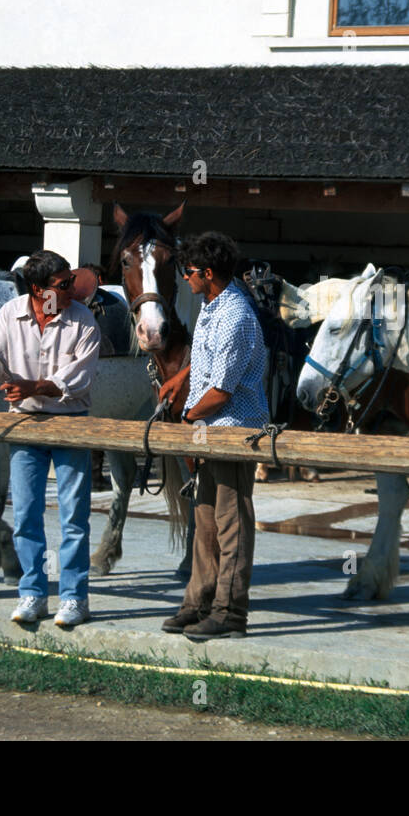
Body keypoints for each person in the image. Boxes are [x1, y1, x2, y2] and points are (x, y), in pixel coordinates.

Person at [0, 250, 101, 628]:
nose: (72, 290)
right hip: (25, 425)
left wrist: (33, 386)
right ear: (37, 289)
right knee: (27, 515)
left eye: (71, 282)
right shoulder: (8, 316)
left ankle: (75, 598)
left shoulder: (84, 320)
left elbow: (80, 380)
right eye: (63, 285)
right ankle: (33, 593)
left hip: (71, 424)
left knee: (74, 517)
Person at [156, 231, 269, 641]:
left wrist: (186, 419)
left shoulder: (236, 316)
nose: (184, 278)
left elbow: (221, 391)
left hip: (232, 432)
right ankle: (198, 601)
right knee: (204, 520)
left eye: (188, 272)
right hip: (209, 432)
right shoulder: (210, 306)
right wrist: (183, 377)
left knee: (231, 522)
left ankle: (230, 611)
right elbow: (208, 358)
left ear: (207, 273)